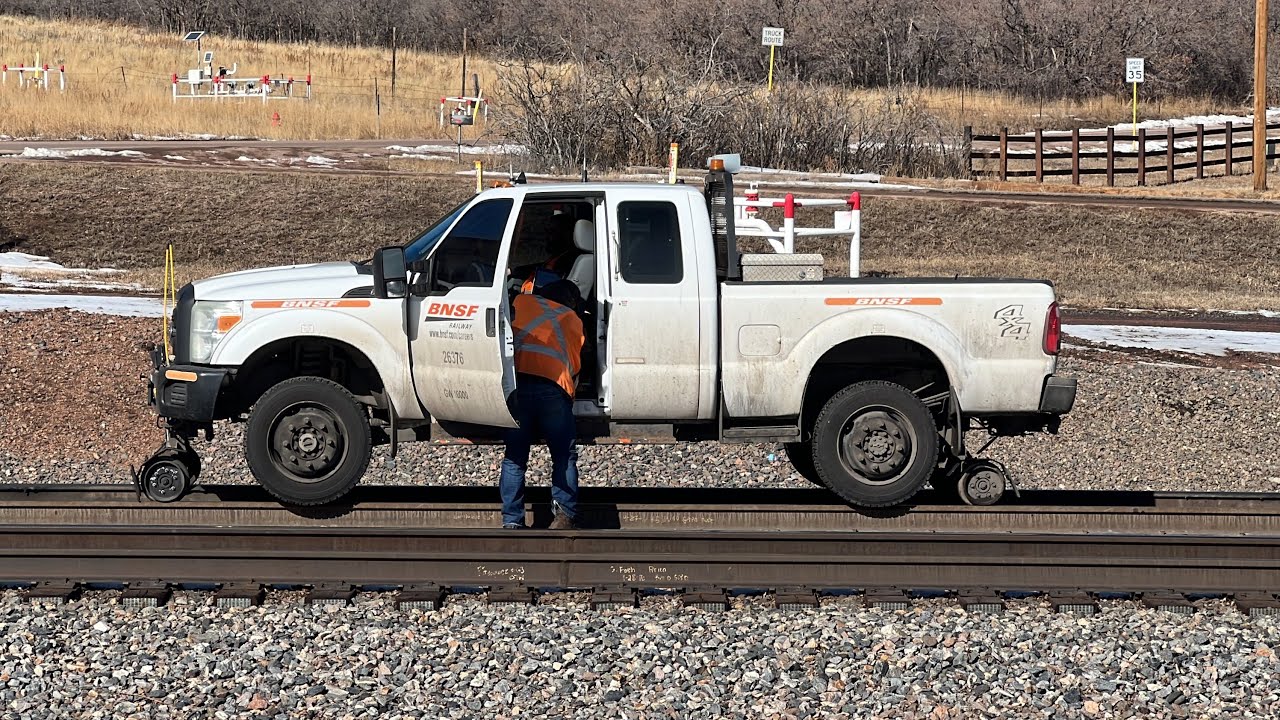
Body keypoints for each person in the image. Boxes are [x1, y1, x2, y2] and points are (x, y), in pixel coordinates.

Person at [500, 279, 585, 530]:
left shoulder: (519, 302)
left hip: (517, 389)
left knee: (515, 458)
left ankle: (512, 521)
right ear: (569, 302)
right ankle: (563, 516)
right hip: (553, 391)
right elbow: (577, 366)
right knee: (563, 457)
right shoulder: (573, 320)